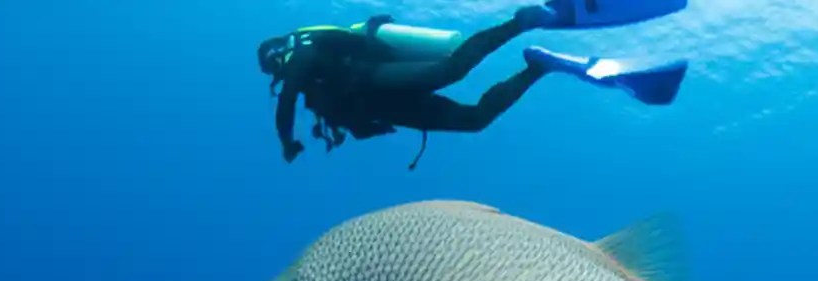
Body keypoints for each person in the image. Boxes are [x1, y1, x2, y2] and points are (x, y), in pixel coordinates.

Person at [256, 0, 690, 168]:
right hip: (382, 105)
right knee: (474, 120)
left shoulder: (302, 51)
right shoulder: (308, 81)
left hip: (373, 79)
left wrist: (286, 141)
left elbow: (288, 97)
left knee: (450, 70)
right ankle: (538, 66)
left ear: (280, 49)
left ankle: (519, 24)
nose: (276, 68)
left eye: (273, 59)